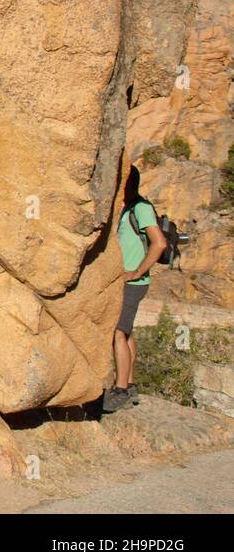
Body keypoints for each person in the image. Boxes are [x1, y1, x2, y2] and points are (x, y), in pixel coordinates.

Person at [104, 166, 167, 414]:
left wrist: (138, 271)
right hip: (128, 282)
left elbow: (159, 242)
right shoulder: (128, 209)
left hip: (133, 283)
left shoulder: (141, 208)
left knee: (118, 332)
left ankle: (120, 390)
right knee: (127, 332)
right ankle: (129, 384)